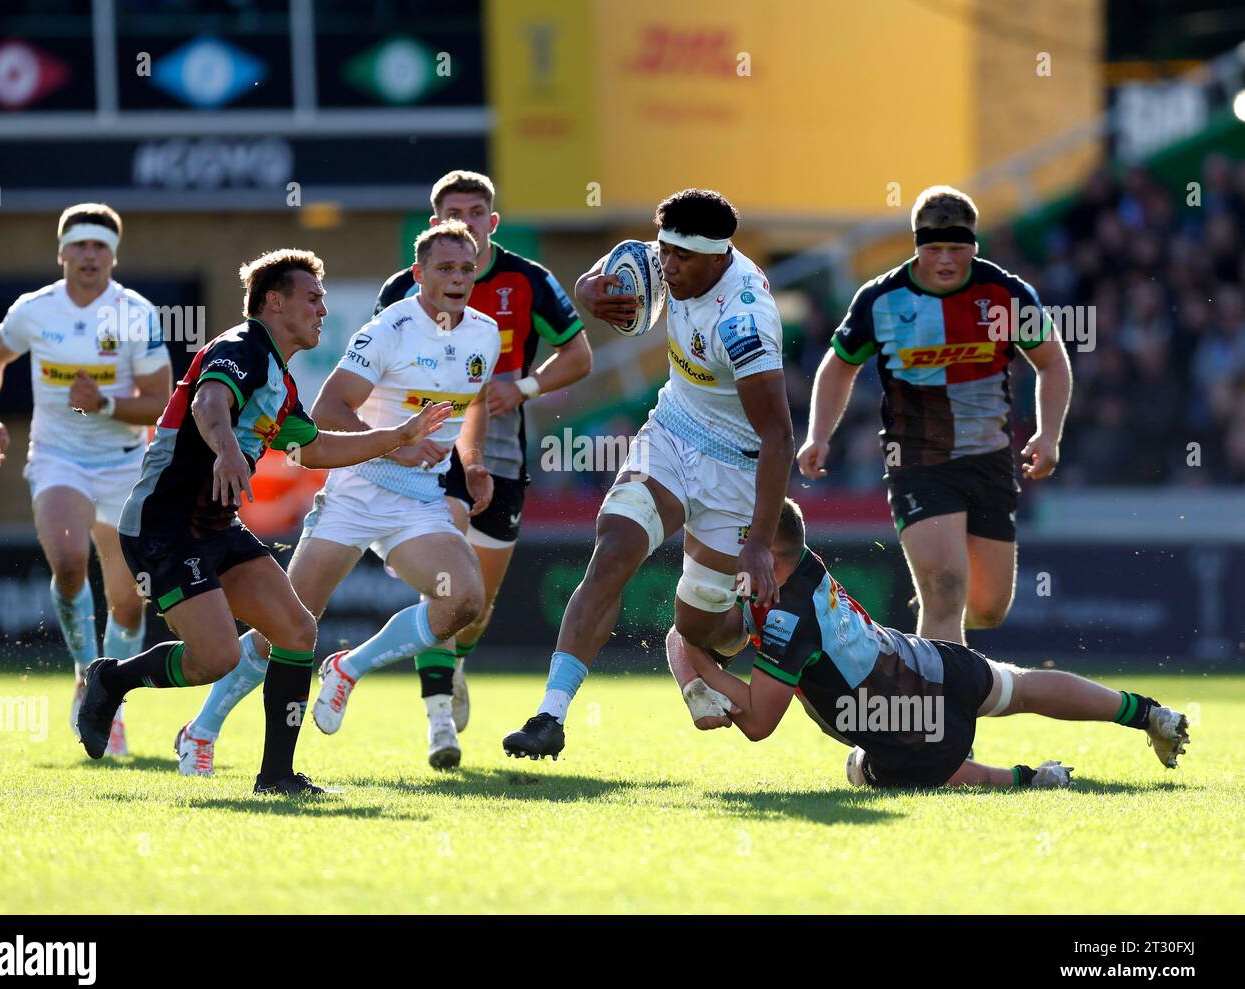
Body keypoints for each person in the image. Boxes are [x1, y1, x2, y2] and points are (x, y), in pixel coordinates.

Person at [74, 248, 452, 796]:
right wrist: (227, 452)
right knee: (216, 657)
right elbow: (209, 405)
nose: (323, 310)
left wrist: (397, 437)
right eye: (313, 298)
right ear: (275, 303)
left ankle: (276, 777)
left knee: (296, 631)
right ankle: (111, 679)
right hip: (165, 525)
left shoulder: (279, 377)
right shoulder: (240, 347)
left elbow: (315, 449)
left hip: (216, 527)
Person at [173, 221, 499, 774]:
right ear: (419, 275)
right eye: (444, 268)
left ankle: (349, 668)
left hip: (419, 500)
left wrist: (472, 462)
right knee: (286, 626)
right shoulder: (389, 328)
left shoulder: (486, 334)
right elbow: (327, 412)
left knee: (464, 601)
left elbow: (475, 404)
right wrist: (396, 448)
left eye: (467, 268)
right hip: (357, 488)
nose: (458, 278)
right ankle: (201, 729)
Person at [502, 188, 795, 761]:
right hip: (672, 432)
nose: (667, 267)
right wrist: (588, 290)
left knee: (704, 626)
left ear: (717, 258)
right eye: (664, 252)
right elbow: (610, 270)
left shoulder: (745, 324)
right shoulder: (672, 258)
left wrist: (760, 543)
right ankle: (550, 716)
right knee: (614, 548)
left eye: (681, 259)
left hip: (735, 468)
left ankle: (717, 633)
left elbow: (779, 436)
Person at [665, 499, 1190, 789]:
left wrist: (696, 662)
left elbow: (758, 724)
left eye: (744, 543)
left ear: (769, 555)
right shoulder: (801, 567)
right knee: (1023, 687)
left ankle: (1031, 779)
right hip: (932, 661)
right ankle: (1147, 714)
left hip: (906, 727)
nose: (736, 553)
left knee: (868, 769)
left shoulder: (784, 618)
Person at [797, 185, 1073, 645]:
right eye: (934, 248)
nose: (945, 259)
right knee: (946, 591)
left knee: (987, 609)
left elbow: (1052, 362)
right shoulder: (881, 300)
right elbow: (837, 366)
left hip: (989, 460)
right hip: (918, 461)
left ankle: (932, 603)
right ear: (917, 246)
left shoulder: (1004, 295)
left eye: (956, 248)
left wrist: (1049, 435)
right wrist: (819, 435)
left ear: (974, 247)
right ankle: (941, 709)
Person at [373, 170, 591, 735]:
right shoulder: (404, 288)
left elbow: (579, 355)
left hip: (500, 455)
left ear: (492, 222)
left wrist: (522, 387)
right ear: (435, 223)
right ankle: (438, 716)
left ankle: (457, 659)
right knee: (445, 583)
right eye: (454, 212)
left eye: (476, 212)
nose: (465, 221)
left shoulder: (528, 280)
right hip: (432, 452)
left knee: (476, 605)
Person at [0, 203, 173, 756]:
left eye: (100, 246)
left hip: (126, 465)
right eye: (80, 244)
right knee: (66, 561)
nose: (90, 255)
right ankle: (88, 677)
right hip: (57, 457)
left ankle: (112, 699)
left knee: (129, 603)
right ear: (62, 253)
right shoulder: (36, 310)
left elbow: (159, 402)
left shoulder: (134, 313)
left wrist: (103, 401)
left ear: (113, 255)